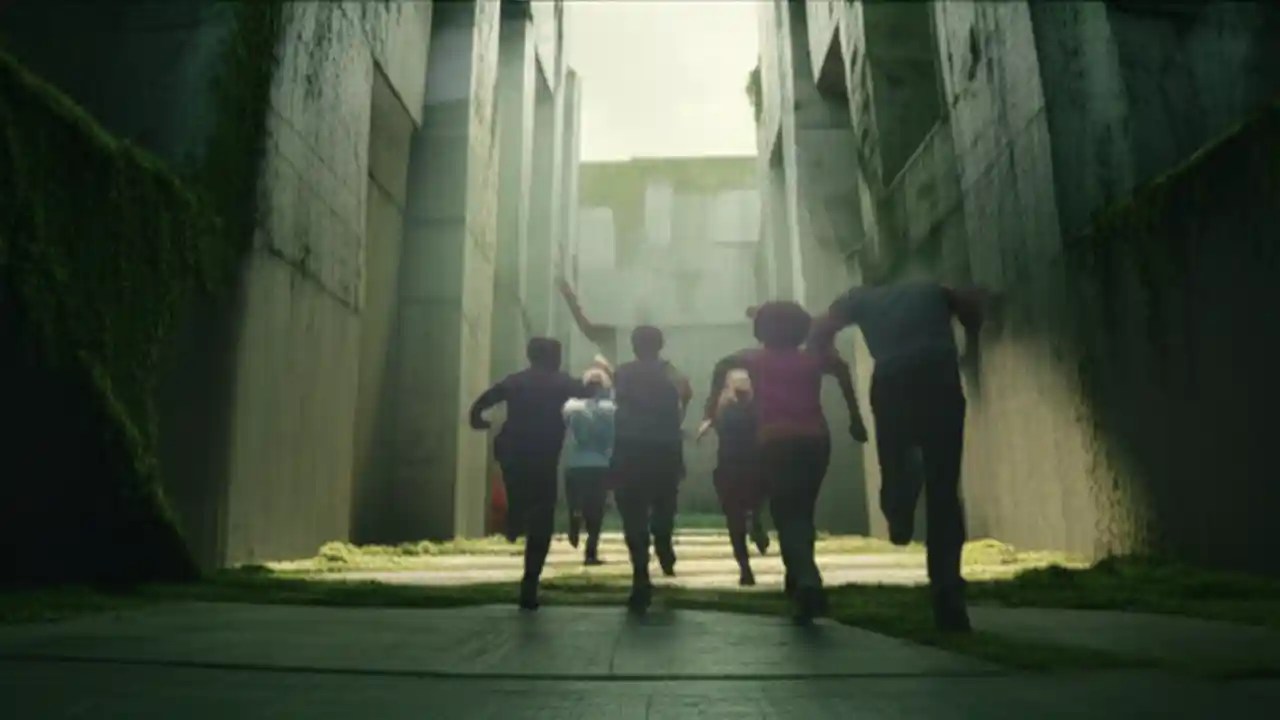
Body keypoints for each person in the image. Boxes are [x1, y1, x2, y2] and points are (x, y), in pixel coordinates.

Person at [808, 280, 992, 633]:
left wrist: (824, 356)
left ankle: (899, 506)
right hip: (939, 374)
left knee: (893, 460)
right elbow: (970, 306)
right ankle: (947, 592)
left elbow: (820, 328)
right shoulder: (934, 289)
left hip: (893, 380)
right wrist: (971, 345)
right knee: (944, 488)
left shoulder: (859, 297)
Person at [703, 301, 866, 624]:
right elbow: (842, 370)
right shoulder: (813, 359)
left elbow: (722, 365)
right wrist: (855, 417)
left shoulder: (753, 359)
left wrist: (710, 408)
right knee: (802, 512)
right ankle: (798, 579)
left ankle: (807, 579)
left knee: (785, 513)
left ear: (761, 331)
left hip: (775, 443)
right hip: (815, 441)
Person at [469, 337, 591, 611]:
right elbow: (588, 391)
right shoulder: (560, 382)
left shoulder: (517, 381)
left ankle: (516, 511)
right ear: (553, 358)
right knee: (542, 517)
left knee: (521, 493)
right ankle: (530, 579)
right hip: (542, 457)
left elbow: (486, 399)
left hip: (513, 452)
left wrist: (476, 416)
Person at [612, 325, 692, 613]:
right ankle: (663, 541)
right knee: (664, 503)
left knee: (633, 512)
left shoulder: (622, 373)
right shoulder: (672, 373)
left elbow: (618, 403)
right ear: (660, 345)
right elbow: (685, 399)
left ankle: (640, 572)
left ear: (634, 346)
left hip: (630, 448)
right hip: (664, 448)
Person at [695, 368, 771, 587]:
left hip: (731, 468)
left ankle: (745, 566)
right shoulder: (757, 409)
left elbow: (707, 426)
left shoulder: (723, 409)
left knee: (735, 519)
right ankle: (755, 528)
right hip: (753, 467)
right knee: (750, 509)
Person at [562, 361, 616, 566]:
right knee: (597, 509)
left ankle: (575, 515)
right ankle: (590, 552)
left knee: (575, 499)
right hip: (600, 464)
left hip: (574, 462)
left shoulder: (571, 407)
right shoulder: (610, 409)